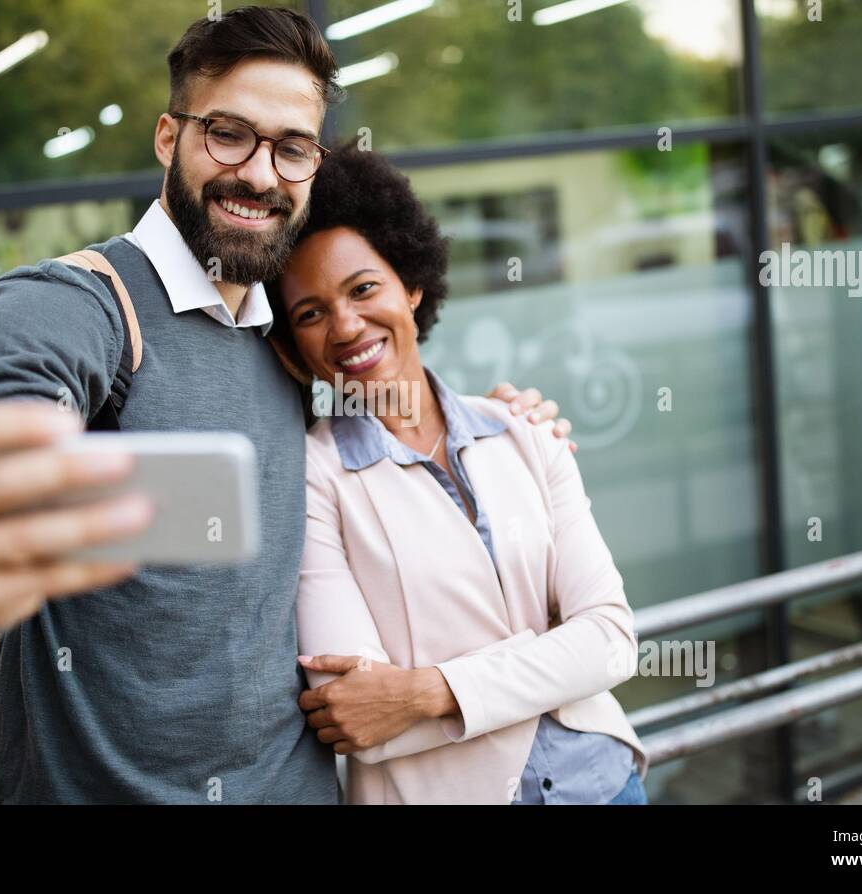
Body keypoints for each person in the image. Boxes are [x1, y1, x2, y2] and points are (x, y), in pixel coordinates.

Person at [0, 6, 571, 804]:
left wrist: (509, 425)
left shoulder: (285, 336)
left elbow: (400, 407)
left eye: (292, 148)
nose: (261, 173)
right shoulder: (76, 305)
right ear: (169, 138)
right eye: (228, 133)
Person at [270, 146, 649, 805]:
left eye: (364, 289)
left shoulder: (523, 431)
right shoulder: (311, 477)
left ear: (411, 286)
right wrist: (555, 659)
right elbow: (356, 716)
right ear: (293, 345)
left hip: (604, 784)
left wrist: (422, 693)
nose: (347, 325)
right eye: (311, 313)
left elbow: (612, 642)